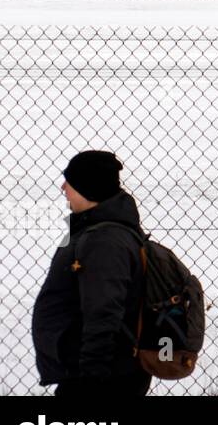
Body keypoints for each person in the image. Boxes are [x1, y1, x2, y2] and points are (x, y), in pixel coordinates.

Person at [32, 150, 151, 397]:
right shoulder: (95, 231)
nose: (63, 187)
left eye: (70, 182)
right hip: (97, 373)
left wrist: (92, 379)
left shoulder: (104, 241)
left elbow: (104, 311)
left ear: (88, 188)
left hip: (101, 379)